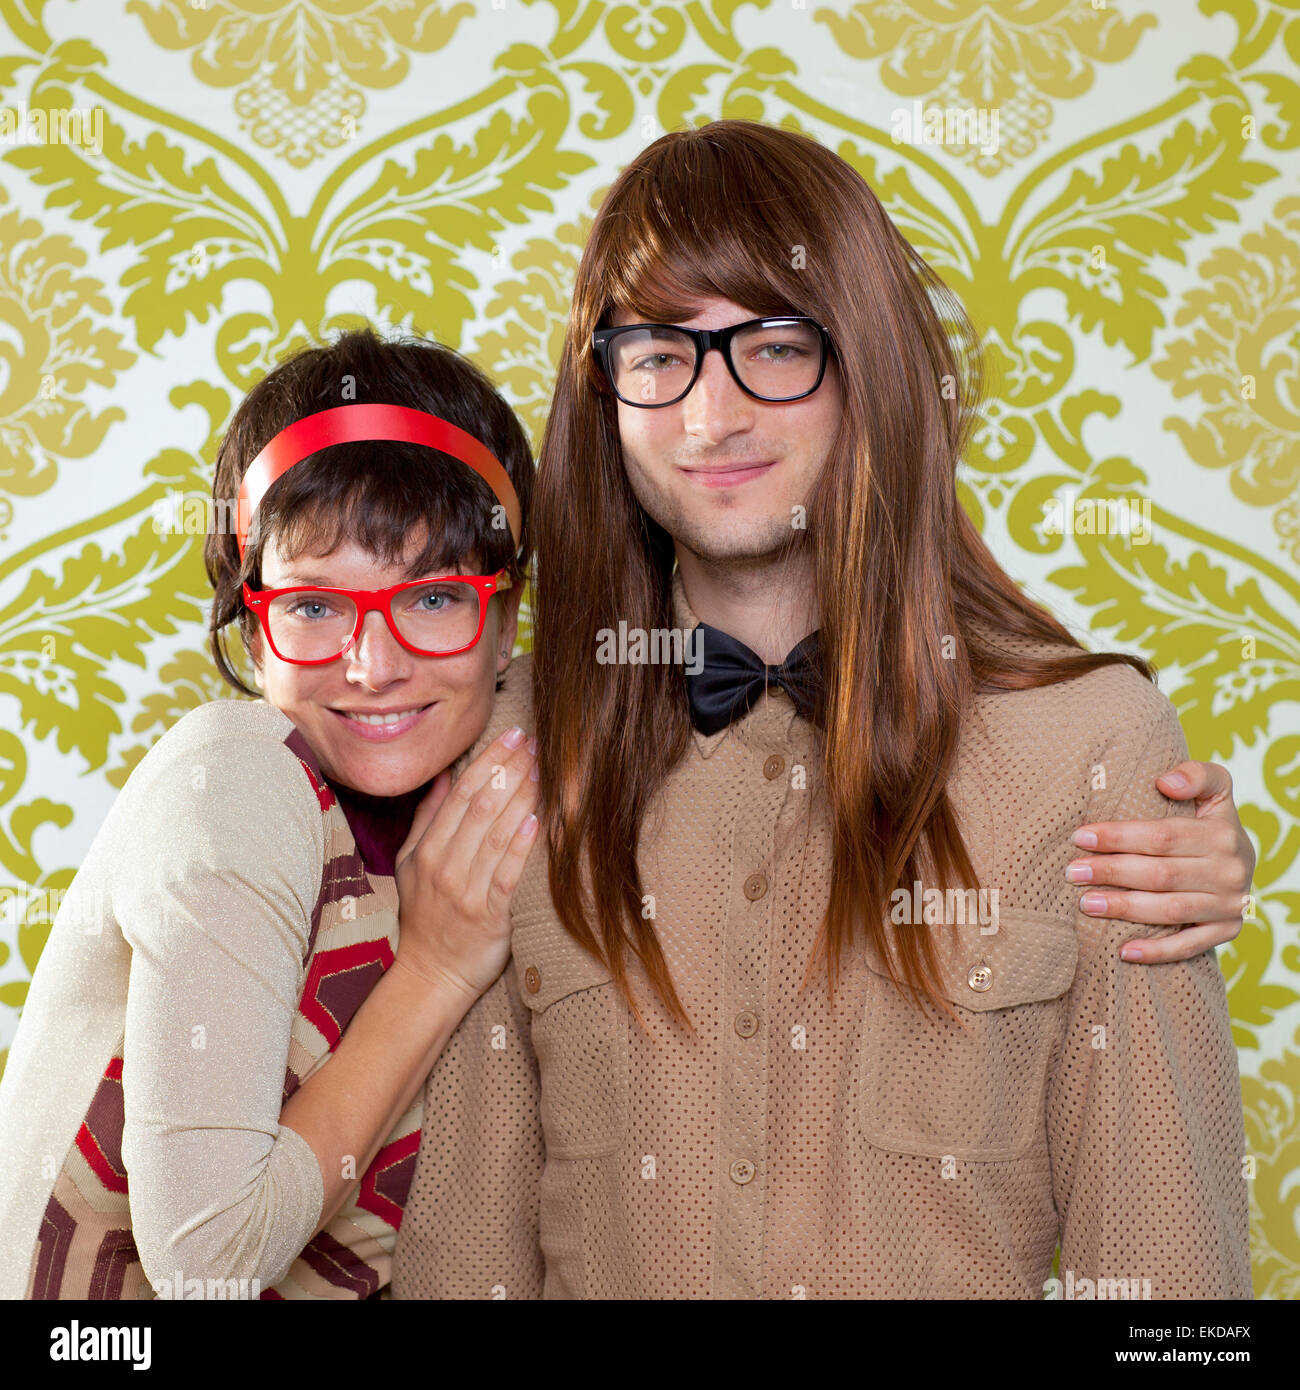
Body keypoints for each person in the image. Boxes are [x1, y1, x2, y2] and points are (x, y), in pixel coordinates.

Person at [391, 119, 1256, 1299]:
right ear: (604, 391)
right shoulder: (508, 743)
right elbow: (464, 1256)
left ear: (871, 366)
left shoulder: (1091, 748)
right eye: (659, 354)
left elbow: (1170, 1276)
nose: (711, 418)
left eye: (775, 347)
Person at [0, 327, 542, 1299]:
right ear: (252, 631)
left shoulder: (498, 765)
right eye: (315, 608)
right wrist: (435, 967)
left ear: (504, 620)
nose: (373, 666)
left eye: (430, 597)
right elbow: (207, 1267)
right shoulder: (237, 777)